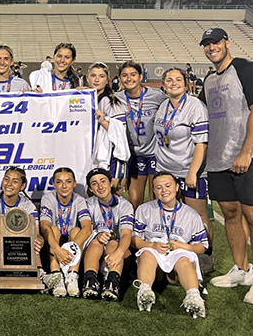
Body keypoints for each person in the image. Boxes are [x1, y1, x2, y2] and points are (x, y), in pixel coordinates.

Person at [198, 28, 253, 305]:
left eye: (215, 42)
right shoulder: (208, 79)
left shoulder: (247, 69)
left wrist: (246, 152)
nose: (211, 47)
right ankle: (242, 269)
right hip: (219, 159)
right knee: (230, 213)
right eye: (206, 44)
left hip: (246, 156)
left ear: (227, 43)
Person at [151, 67, 211, 269]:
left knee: (198, 216)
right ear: (163, 84)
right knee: (166, 214)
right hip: (164, 170)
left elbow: (201, 144)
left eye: (178, 79)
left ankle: (205, 257)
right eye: (169, 80)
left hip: (187, 170)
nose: (173, 83)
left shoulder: (195, 106)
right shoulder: (163, 106)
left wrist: (192, 173)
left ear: (186, 83)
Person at [131, 173, 208, 317]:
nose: (164, 190)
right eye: (158, 187)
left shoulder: (191, 214)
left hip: (178, 261)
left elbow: (202, 246)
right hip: (154, 257)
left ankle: (194, 297)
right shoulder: (144, 209)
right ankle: (145, 290)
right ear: (153, 190)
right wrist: (152, 245)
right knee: (146, 253)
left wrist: (184, 247)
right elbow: (133, 240)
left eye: (168, 186)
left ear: (177, 187)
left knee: (184, 259)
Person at [37, 167, 92, 297]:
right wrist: (57, 249)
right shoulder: (48, 198)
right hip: (54, 242)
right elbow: (44, 226)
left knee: (77, 231)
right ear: (54, 184)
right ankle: (57, 277)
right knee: (53, 229)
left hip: (71, 241)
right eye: (59, 182)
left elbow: (87, 228)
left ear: (74, 183)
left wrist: (71, 249)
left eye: (68, 182)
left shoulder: (79, 200)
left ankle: (72, 276)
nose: (64, 186)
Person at [81, 168, 133, 301]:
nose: (100, 186)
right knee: (95, 242)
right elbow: (84, 230)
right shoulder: (87, 204)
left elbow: (126, 234)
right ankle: (90, 281)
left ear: (110, 183)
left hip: (117, 251)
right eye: (94, 183)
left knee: (114, 243)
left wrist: (119, 252)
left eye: (103, 181)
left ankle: (112, 283)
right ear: (91, 189)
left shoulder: (125, 205)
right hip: (94, 250)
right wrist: (97, 235)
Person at [117, 61, 162, 207]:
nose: (129, 78)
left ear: (140, 77)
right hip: (134, 155)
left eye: (133, 74)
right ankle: (138, 229)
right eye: (124, 75)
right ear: (120, 78)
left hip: (155, 153)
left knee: (157, 198)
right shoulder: (116, 98)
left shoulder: (156, 96)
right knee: (135, 201)